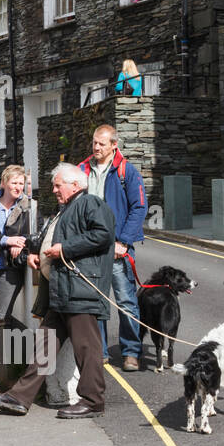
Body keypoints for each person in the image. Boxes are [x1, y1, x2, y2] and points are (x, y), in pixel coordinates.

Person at [0, 163, 115, 418]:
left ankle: (93, 400)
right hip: (64, 291)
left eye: (58, 185)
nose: (54, 189)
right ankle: (21, 397)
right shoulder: (67, 208)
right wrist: (36, 253)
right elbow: (50, 237)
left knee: (86, 348)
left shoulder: (90, 204)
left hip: (81, 290)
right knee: (44, 346)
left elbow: (103, 235)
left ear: (75, 185)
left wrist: (64, 250)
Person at [79, 124, 147, 371]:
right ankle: (100, 351)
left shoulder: (126, 171)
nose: (96, 147)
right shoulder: (82, 169)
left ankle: (131, 352)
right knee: (96, 302)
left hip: (118, 248)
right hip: (89, 249)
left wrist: (124, 242)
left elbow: (139, 207)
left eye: (101, 144)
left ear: (113, 145)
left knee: (126, 302)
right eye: (94, 143)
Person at [0, 165, 36, 325]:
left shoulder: (29, 207)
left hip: (11, 267)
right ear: (4, 183)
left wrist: (23, 242)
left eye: (21, 183)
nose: (18, 187)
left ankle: (14, 347)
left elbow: (36, 233)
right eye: (14, 183)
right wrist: (7, 240)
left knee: (1, 316)